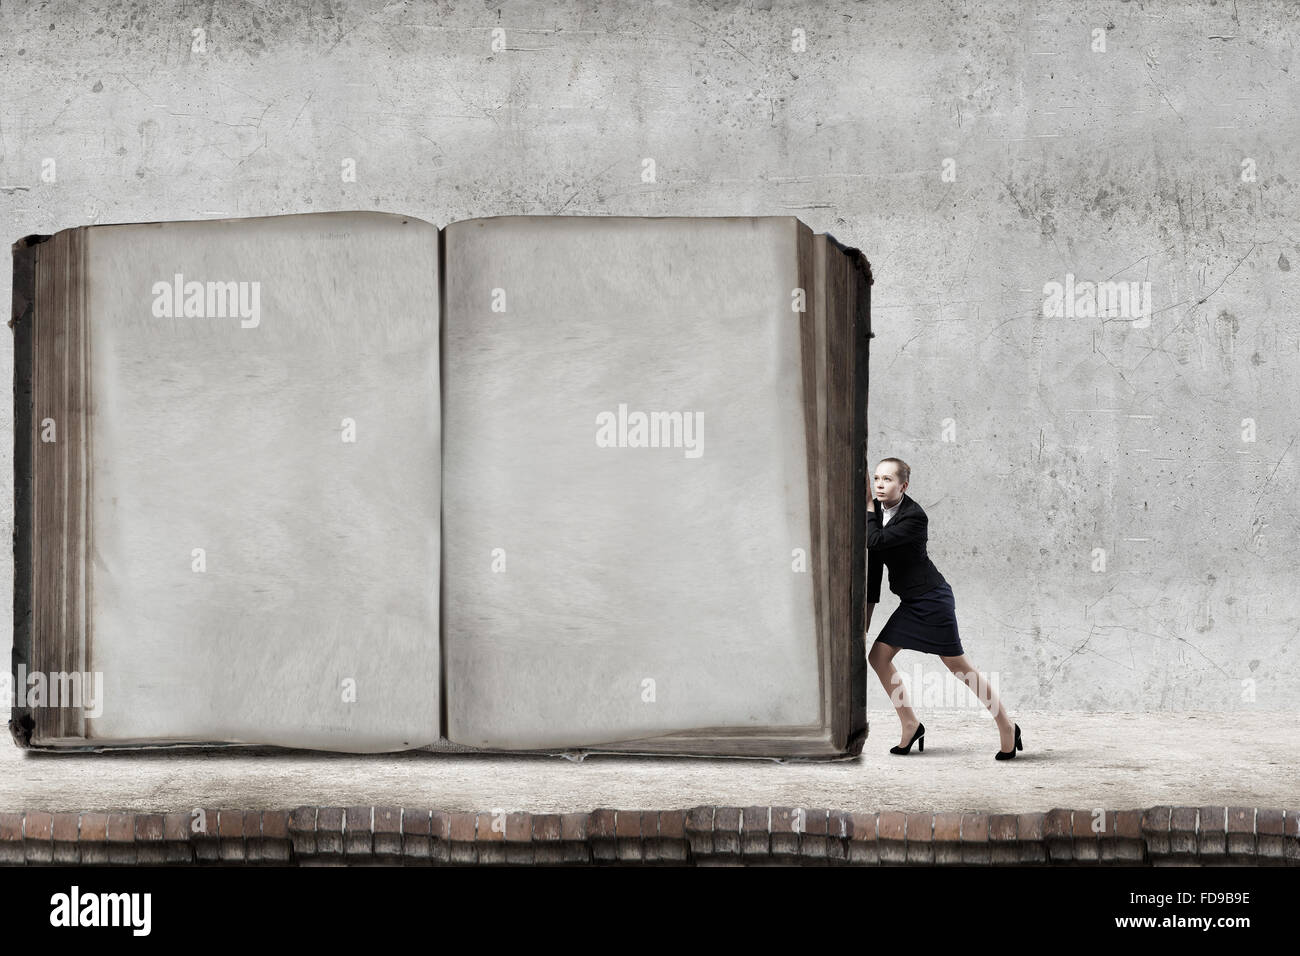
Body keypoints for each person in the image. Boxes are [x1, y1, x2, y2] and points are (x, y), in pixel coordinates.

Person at [864, 457, 1023, 760]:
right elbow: (874, 571)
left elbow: (875, 541)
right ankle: (911, 724)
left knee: (959, 668)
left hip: (933, 600)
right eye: (876, 479)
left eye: (887, 479)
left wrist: (868, 505)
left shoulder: (914, 517)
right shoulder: (879, 514)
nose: (880, 485)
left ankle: (1007, 725)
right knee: (879, 657)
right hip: (911, 603)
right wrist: (865, 621)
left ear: (903, 485)